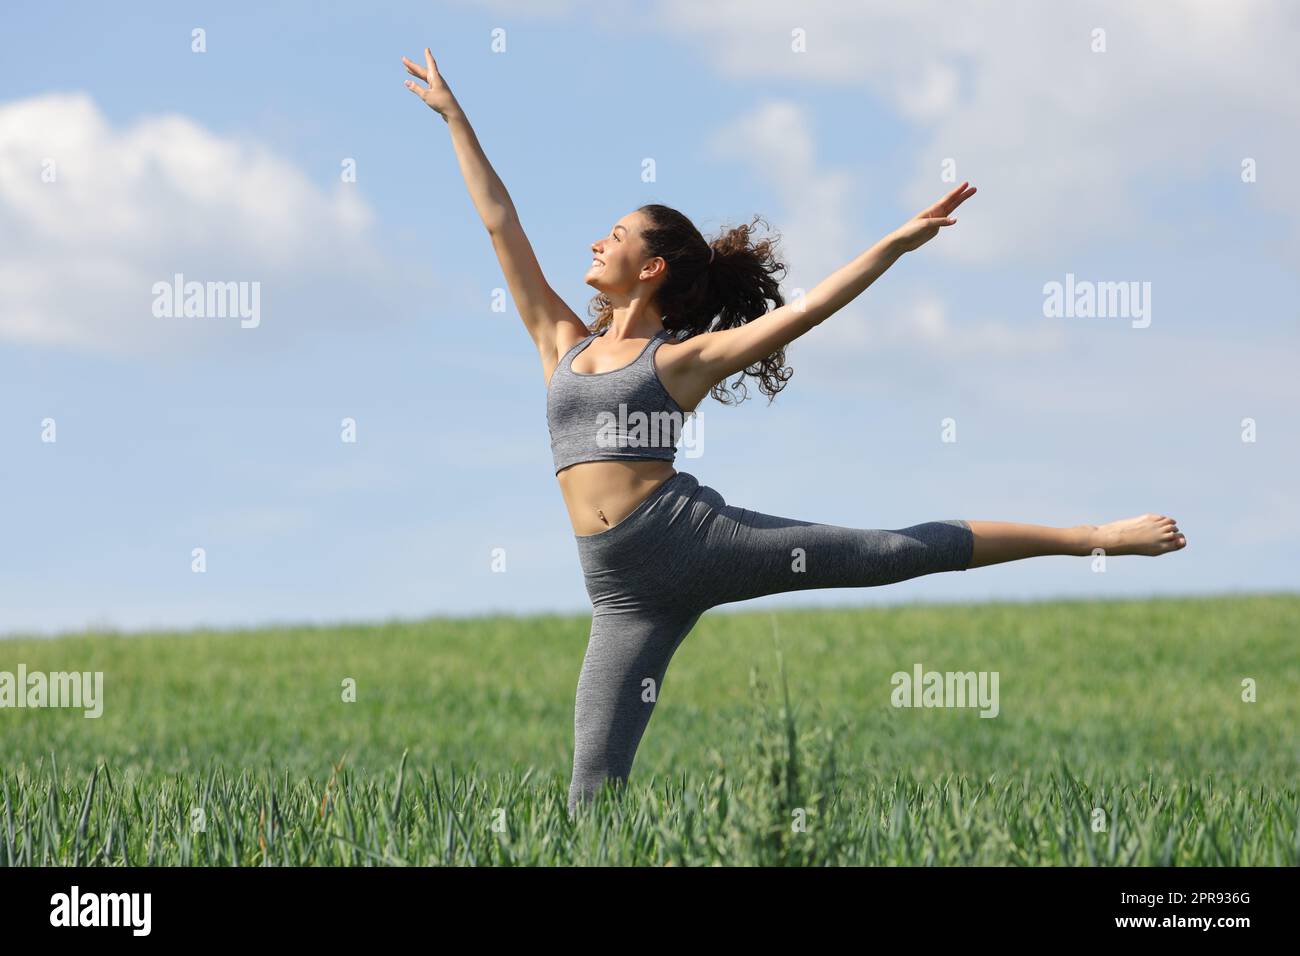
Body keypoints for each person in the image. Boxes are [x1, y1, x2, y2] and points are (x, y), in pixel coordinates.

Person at [401, 48, 1188, 813]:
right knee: (592, 785)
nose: (596, 242)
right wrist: (454, 118)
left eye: (616, 234)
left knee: (887, 555)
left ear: (652, 269)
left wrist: (893, 245)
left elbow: (804, 312)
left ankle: (1095, 537)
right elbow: (501, 224)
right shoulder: (560, 343)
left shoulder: (681, 360)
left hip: (690, 541)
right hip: (621, 594)